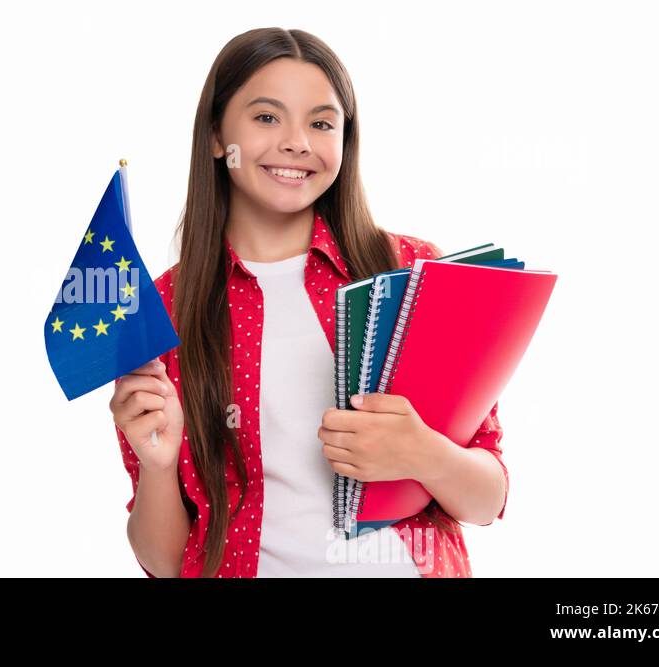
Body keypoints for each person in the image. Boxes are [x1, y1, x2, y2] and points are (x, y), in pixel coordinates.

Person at [110, 27, 508, 578]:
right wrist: (156, 467)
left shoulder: (414, 273)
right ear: (214, 136)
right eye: (267, 117)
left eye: (321, 123)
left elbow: (487, 499)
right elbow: (167, 562)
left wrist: (422, 453)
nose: (298, 141)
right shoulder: (161, 311)